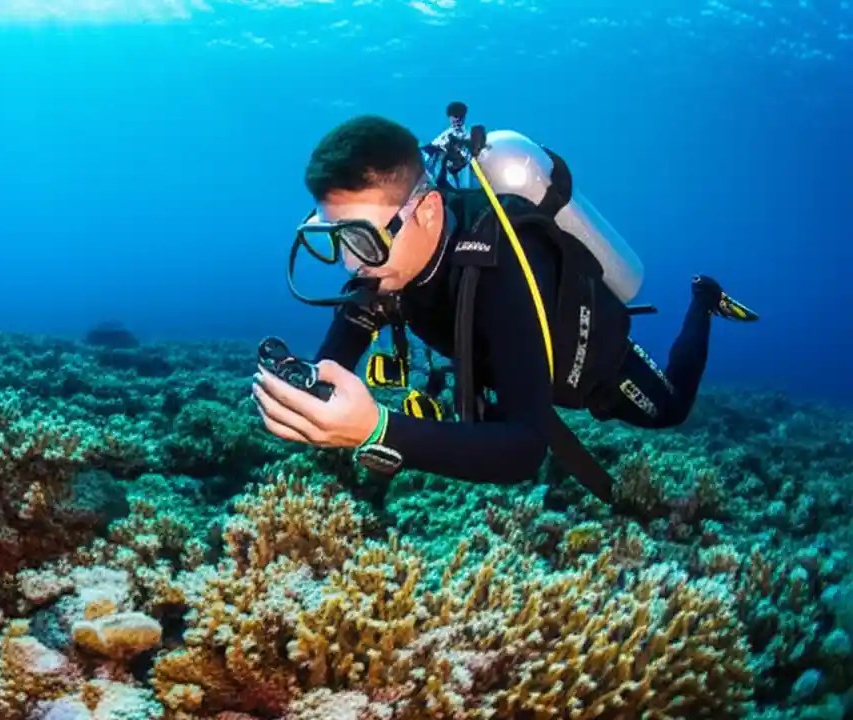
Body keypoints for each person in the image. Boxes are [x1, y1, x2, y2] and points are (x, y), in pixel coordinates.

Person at [252, 113, 757, 500]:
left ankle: (702, 300)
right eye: (332, 239)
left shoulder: (503, 274)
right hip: (512, 368)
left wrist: (376, 429)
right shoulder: (383, 269)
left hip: (592, 367)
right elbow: (338, 358)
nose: (348, 265)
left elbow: (524, 449)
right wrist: (313, 393)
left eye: (361, 239)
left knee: (669, 409)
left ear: (427, 212)